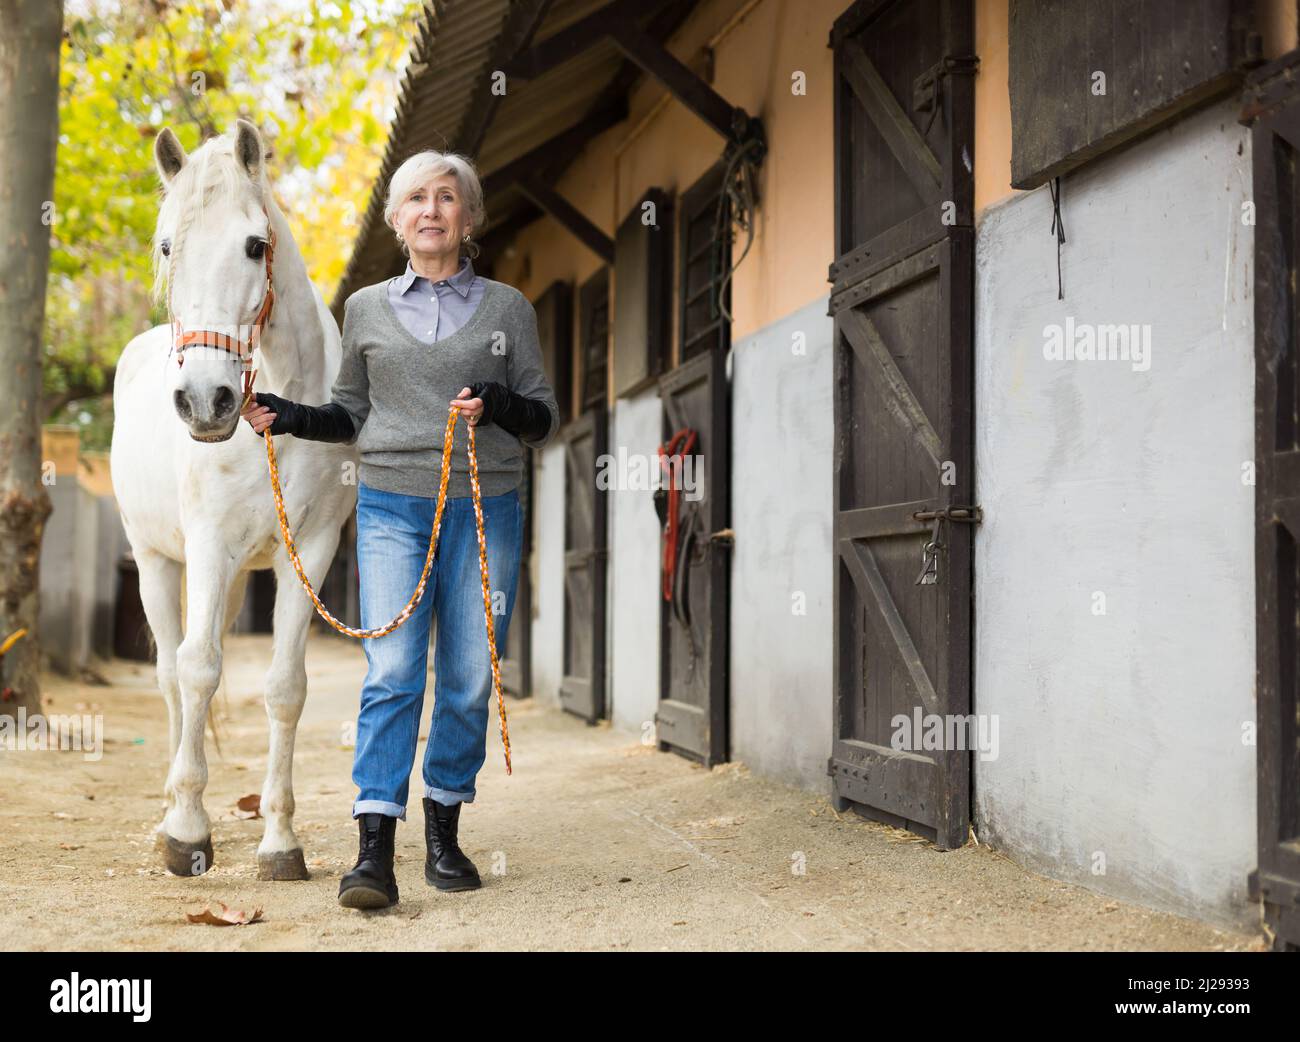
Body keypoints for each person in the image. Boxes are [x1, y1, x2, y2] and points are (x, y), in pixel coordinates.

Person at [241, 149, 559, 910]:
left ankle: (445, 836)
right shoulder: (367, 310)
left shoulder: (511, 309)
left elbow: (543, 416)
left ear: (469, 218)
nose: (431, 209)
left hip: (488, 505)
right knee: (392, 672)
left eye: (447, 198)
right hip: (391, 506)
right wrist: (288, 415)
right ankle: (373, 850)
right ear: (395, 218)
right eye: (415, 197)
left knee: (471, 675)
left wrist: (499, 403)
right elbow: (351, 413)